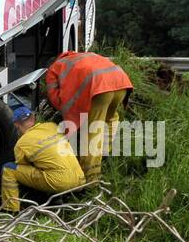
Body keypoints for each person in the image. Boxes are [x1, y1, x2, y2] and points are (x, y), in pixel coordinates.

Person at [42, 50, 133, 185]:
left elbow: (57, 101)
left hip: (101, 88)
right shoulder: (80, 56)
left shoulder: (54, 69)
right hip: (121, 83)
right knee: (110, 118)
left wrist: (68, 119)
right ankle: (105, 155)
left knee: (92, 130)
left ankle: (90, 180)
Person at [0, 105, 85, 213]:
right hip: (80, 179)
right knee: (49, 164)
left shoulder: (22, 143)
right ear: (33, 118)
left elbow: (24, 167)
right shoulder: (52, 126)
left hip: (59, 183)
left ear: (16, 125)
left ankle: (10, 210)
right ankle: (57, 198)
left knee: (9, 169)